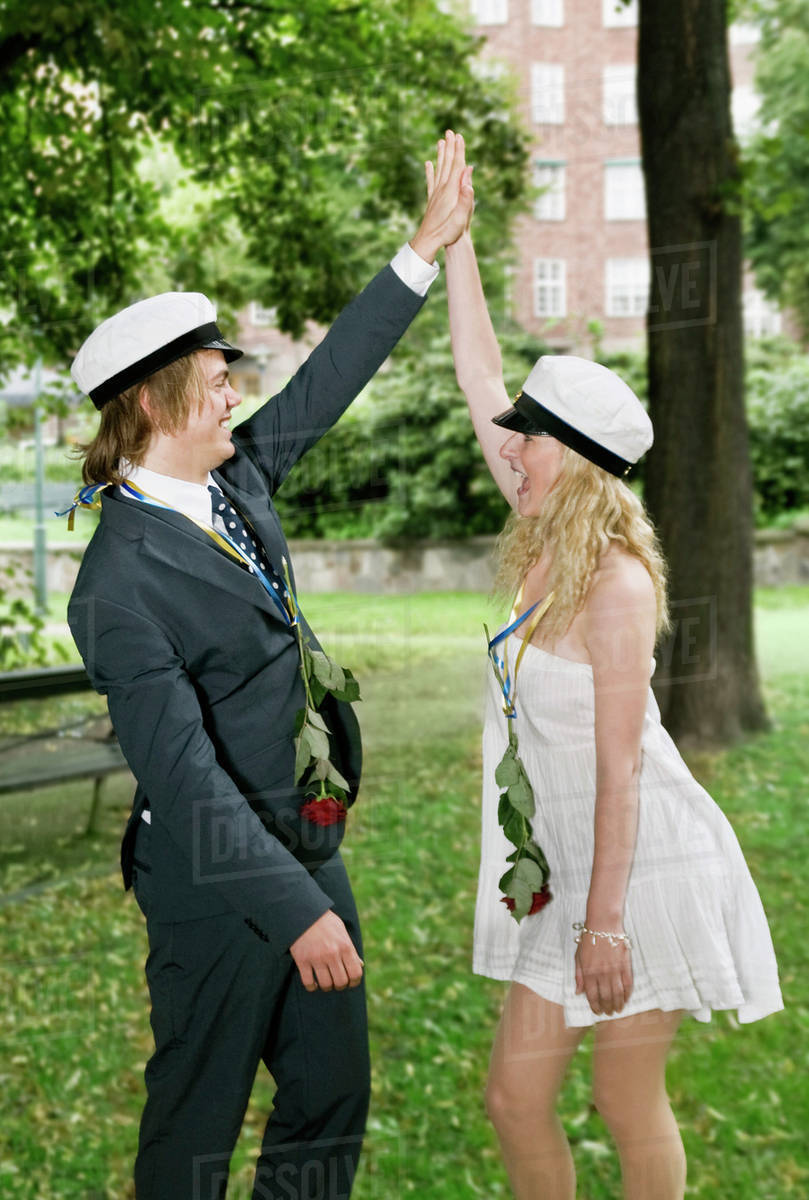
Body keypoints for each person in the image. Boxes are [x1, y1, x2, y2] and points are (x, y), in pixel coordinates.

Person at [65, 136, 472, 1200]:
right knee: (195, 1127)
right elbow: (184, 778)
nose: (235, 395)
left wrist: (420, 250)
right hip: (210, 882)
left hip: (306, 841)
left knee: (330, 1097)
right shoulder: (115, 586)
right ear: (151, 406)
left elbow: (326, 380)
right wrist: (297, 914)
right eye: (213, 383)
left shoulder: (235, 483)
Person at [434, 132, 782, 1199]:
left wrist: (602, 924)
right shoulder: (542, 533)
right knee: (511, 1099)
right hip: (561, 866)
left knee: (624, 1105)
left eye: (528, 439)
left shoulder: (617, 583)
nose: (508, 446)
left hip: (639, 874)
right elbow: (478, 369)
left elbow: (626, 771)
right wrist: (450, 241)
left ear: (577, 461)